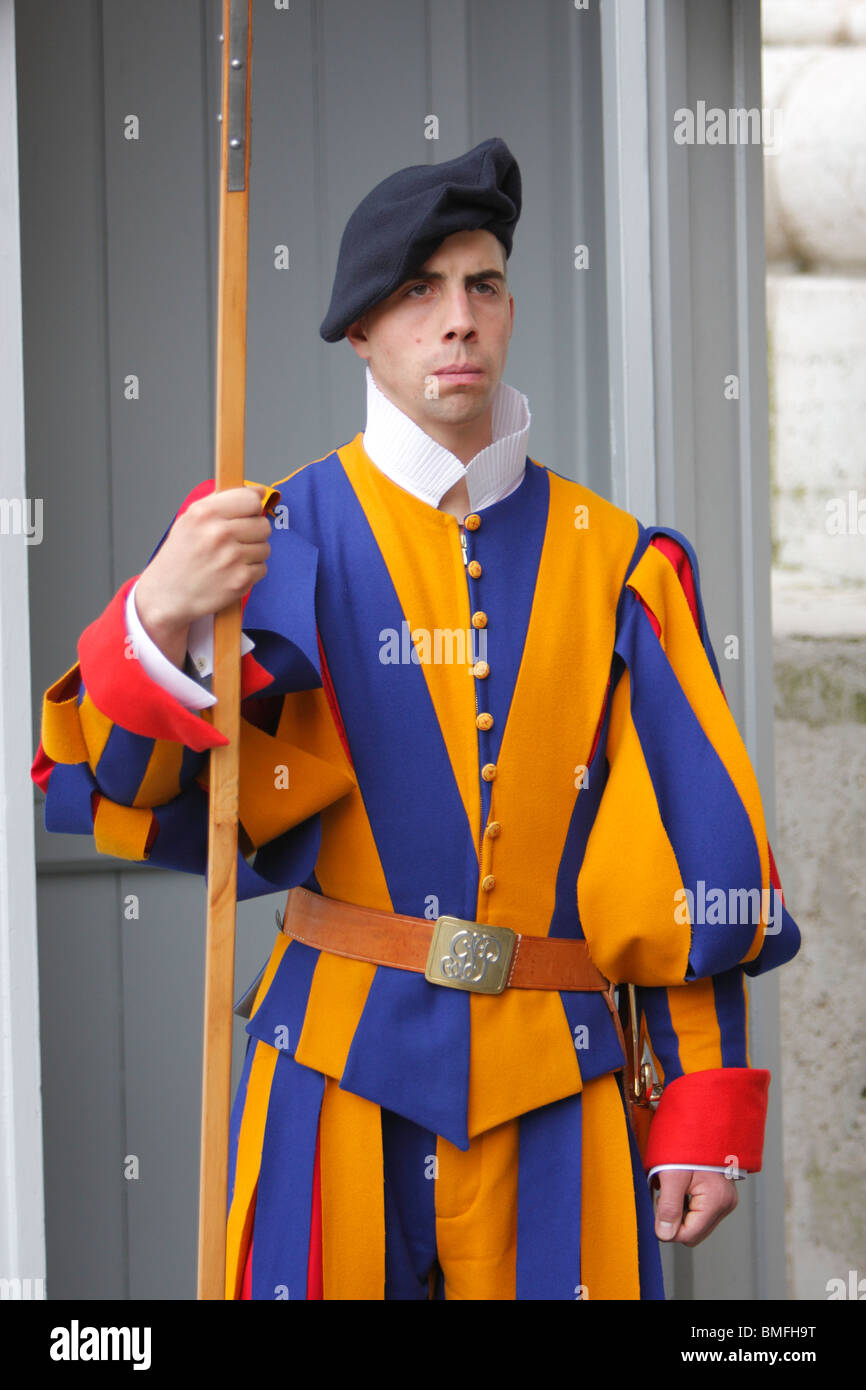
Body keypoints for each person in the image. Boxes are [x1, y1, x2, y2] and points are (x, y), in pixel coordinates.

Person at [31, 137, 801, 1301]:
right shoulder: (259, 542)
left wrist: (701, 1105)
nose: (456, 319)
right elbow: (105, 786)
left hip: (566, 1082)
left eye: (481, 284)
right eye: (416, 290)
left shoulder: (622, 567)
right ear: (360, 330)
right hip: (332, 1073)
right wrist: (160, 612)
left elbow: (684, 871)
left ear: (508, 307)